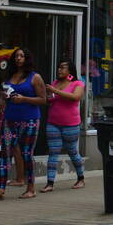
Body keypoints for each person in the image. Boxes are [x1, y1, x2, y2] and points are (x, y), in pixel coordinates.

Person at [0, 47, 46, 199]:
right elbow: (5, 97)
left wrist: (24, 99)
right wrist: (2, 99)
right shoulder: (9, 77)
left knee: (27, 153)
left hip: (30, 120)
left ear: (27, 58)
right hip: (10, 119)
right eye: (16, 56)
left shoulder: (35, 77)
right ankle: (1, 189)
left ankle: (31, 188)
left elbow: (43, 99)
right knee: (5, 153)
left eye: (22, 56)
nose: (18, 58)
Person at [41, 60, 85, 192]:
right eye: (59, 67)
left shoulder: (78, 83)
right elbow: (51, 100)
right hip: (53, 123)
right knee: (53, 152)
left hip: (70, 125)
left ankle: (81, 178)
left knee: (72, 151)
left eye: (63, 68)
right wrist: (48, 96)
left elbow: (75, 97)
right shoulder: (55, 83)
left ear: (70, 71)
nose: (59, 70)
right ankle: (50, 183)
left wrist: (55, 91)